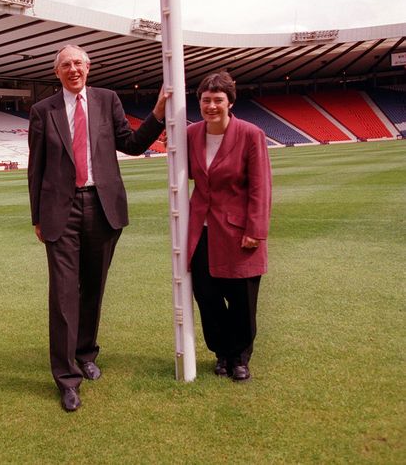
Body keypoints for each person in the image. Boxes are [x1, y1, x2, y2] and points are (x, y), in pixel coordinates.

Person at [27, 44, 167, 411]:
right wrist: (37, 217)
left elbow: (132, 144)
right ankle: (66, 378)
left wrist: (158, 114)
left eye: (78, 63)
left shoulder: (107, 100)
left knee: (93, 287)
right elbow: (35, 167)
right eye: (65, 65)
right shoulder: (43, 111)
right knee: (62, 295)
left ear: (88, 68)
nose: (73, 69)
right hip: (62, 209)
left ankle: (86, 353)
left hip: (103, 207)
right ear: (56, 73)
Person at [186, 71, 272, 382]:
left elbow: (260, 187)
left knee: (241, 300)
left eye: (217, 100)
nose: (211, 106)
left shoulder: (250, 134)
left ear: (230, 102)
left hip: (238, 231)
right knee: (207, 297)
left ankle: (239, 357)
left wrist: (256, 230)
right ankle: (221, 352)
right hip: (201, 231)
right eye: (205, 100)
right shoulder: (191, 133)